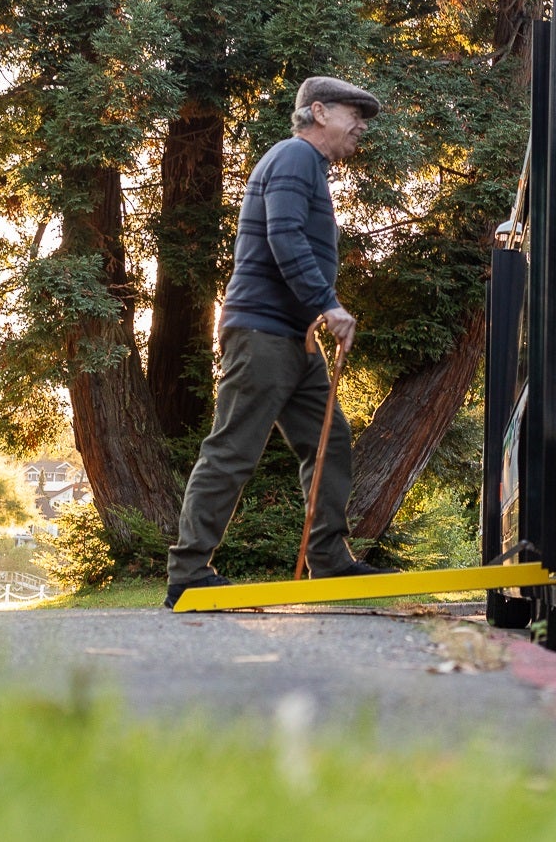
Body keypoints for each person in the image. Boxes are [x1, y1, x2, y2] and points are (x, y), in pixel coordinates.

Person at [166, 76, 395, 608]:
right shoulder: (293, 156)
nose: (361, 124)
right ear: (317, 112)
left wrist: (315, 314)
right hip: (261, 333)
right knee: (232, 449)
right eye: (351, 113)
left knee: (329, 438)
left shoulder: (309, 167)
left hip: (294, 339)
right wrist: (328, 304)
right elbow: (284, 236)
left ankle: (330, 561)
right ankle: (188, 573)